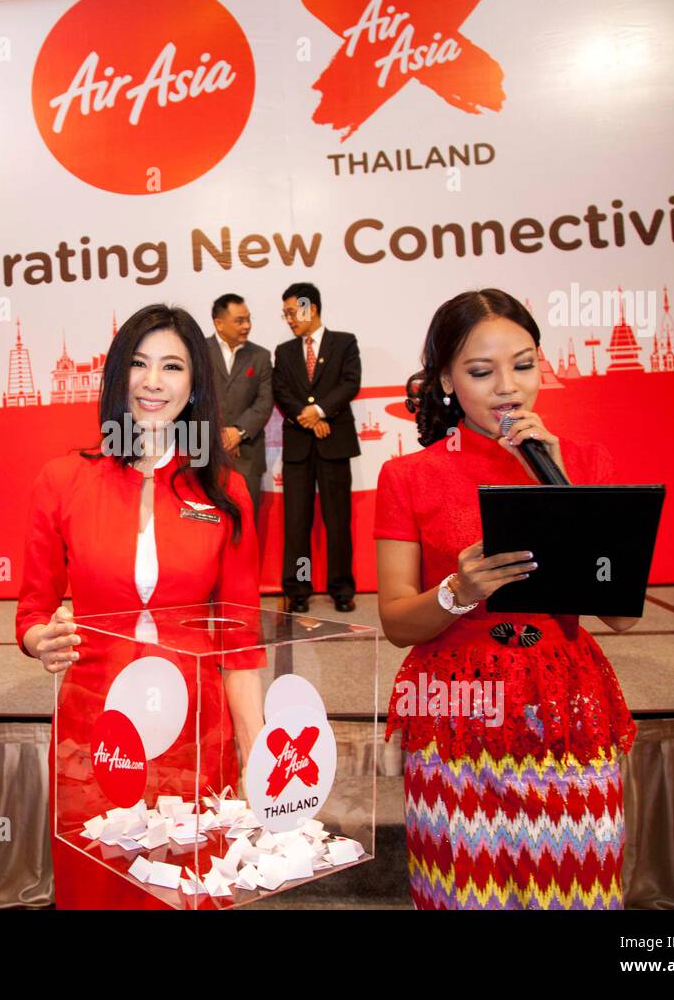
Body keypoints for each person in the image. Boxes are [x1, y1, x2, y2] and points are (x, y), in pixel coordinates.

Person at [374, 288, 637, 910]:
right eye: (480, 371)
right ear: (446, 380)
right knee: (463, 891)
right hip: (453, 712)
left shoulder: (586, 463)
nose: (507, 387)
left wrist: (560, 484)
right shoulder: (409, 476)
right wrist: (458, 591)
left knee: (578, 886)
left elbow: (621, 615)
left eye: (522, 365)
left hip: (564, 707)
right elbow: (397, 622)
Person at [16, 303, 265, 909]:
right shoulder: (62, 480)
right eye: (139, 363)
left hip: (197, 730)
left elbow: (242, 640)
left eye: (172, 366)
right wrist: (40, 640)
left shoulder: (224, 490)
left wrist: (258, 753)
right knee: (100, 887)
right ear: (116, 376)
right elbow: (32, 611)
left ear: (195, 384)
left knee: (187, 886)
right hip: (95, 726)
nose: (153, 381)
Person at [273, 282, 361, 612]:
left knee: (338, 522)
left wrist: (320, 410)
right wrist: (308, 417)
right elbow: (281, 391)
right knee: (297, 523)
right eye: (285, 314)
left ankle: (341, 589)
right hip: (299, 446)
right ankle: (298, 589)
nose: (289, 320)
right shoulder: (284, 351)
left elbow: (350, 383)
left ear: (310, 309)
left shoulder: (344, 343)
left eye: (292, 312)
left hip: (334, 444)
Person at [207, 293, 274, 519]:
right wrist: (218, 435)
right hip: (206, 454)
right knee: (208, 524)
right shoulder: (198, 352)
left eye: (248, 319)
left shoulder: (260, 356)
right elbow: (191, 398)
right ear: (219, 323)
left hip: (247, 456)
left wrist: (237, 432)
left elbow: (264, 402)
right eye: (239, 321)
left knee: (246, 525)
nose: (247, 326)